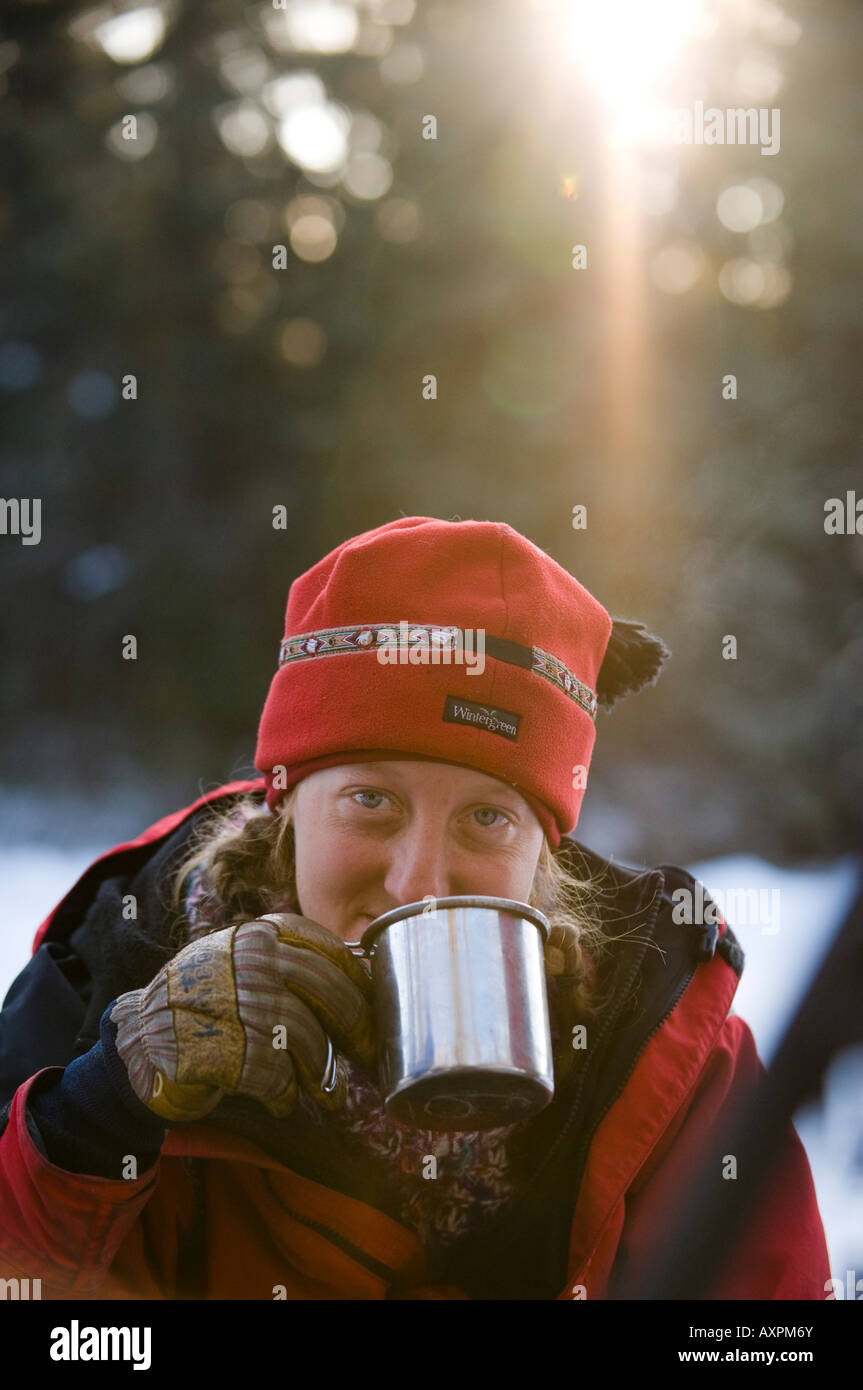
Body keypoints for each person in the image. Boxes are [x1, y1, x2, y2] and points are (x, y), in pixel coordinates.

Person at [0, 515, 830, 1300]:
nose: (419, 883)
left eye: (487, 818)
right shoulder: (110, 971)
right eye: (371, 801)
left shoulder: (658, 1042)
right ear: (284, 805)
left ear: (541, 850)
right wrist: (100, 1113)